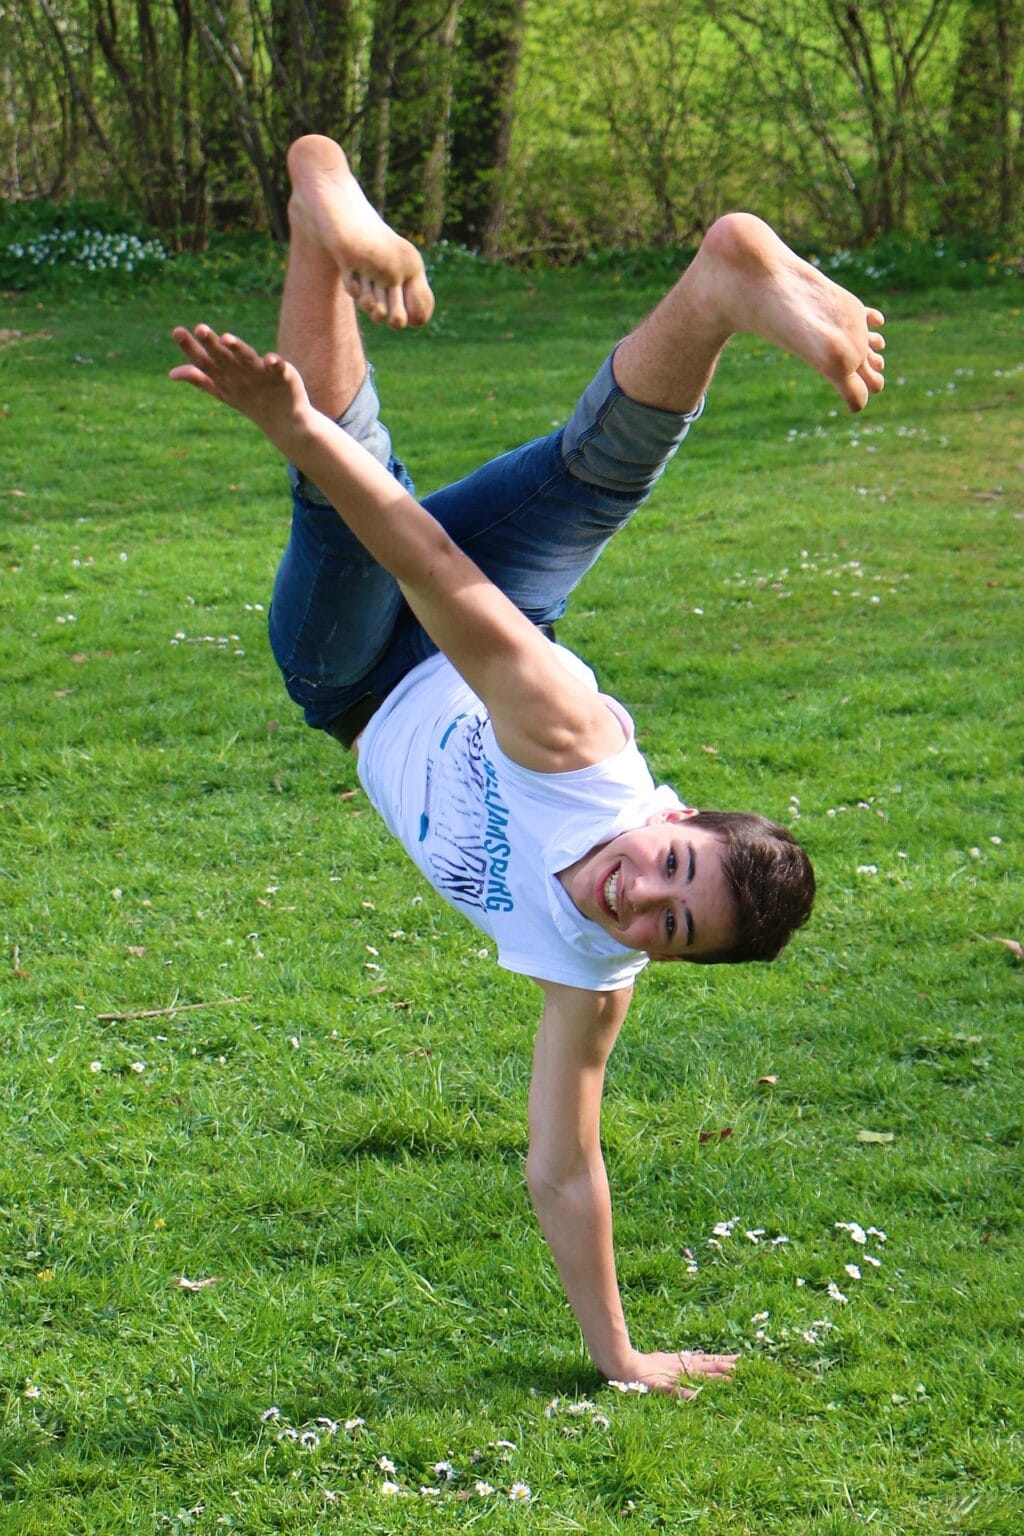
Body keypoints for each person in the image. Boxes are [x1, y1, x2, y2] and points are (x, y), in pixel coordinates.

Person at [170, 134, 885, 1398]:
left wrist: (617, 1355)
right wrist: (294, 427)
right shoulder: (577, 747)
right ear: (671, 810)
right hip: (388, 666)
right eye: (671, 866)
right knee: (345, 483)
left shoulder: (589, 969)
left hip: (440, 661)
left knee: (591, 474)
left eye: (670, 928)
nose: (636, 900)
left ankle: (714, 288)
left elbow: (565, 1166)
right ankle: (317, 197)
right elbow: (431, 569)